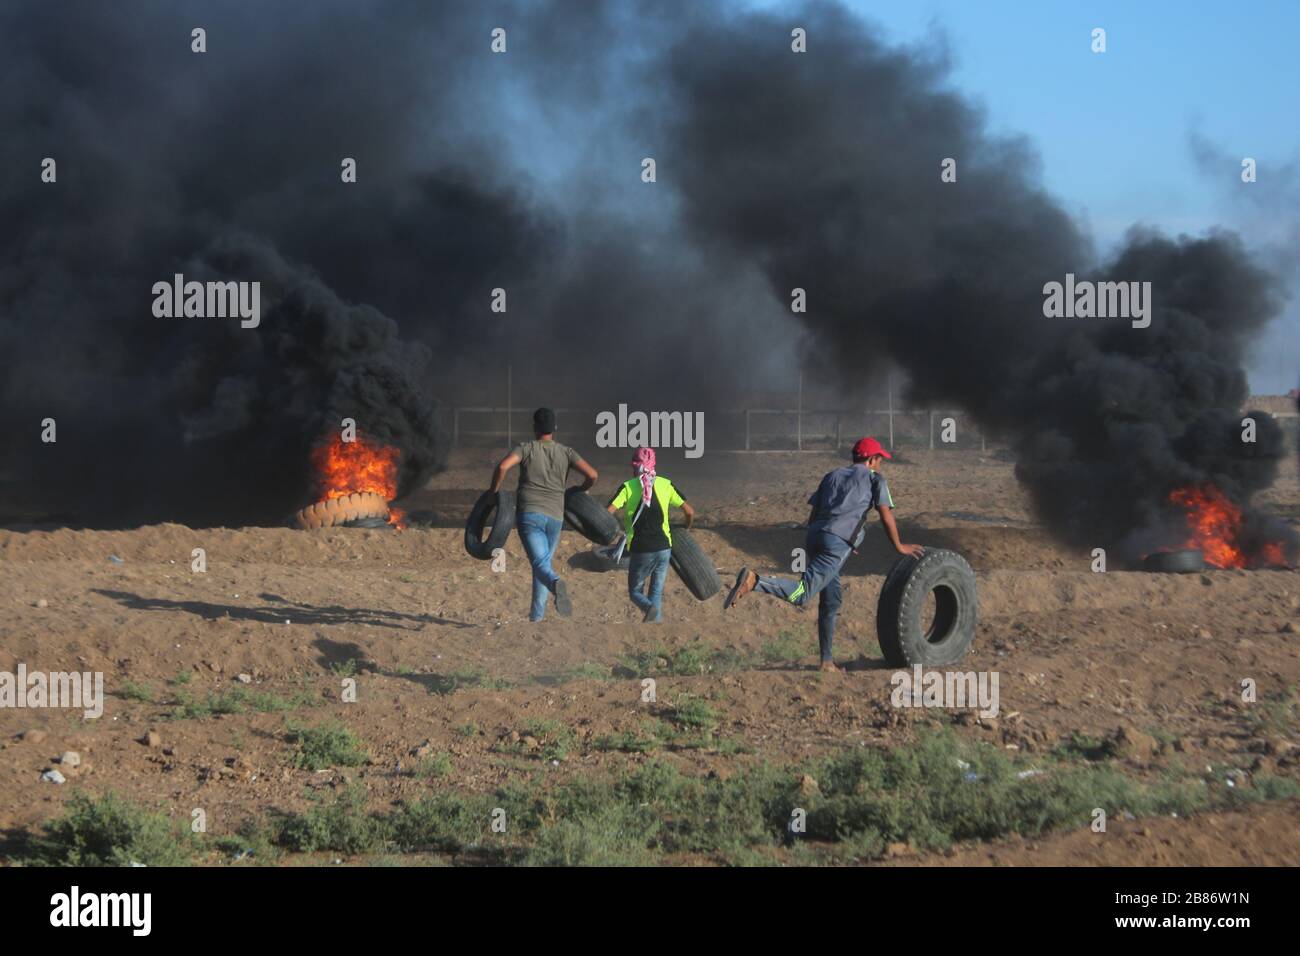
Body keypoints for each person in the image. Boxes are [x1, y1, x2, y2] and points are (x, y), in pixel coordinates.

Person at [724, 436, 924, 672]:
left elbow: (815, 512)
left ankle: (826, 662)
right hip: (836, 543)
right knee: (802, 594)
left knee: (831, 600)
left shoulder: (833, 475)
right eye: (880, 459)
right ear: (871, 460)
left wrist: (824, 537)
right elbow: (885, 514)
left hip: (816, 536)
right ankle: (755, 581)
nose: (881, 464)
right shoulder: (874, 479)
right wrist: (899, 546)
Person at [489, 407, 598, 621]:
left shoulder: (526, 448)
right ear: (554, 428)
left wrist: (492, 493)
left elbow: (502, 467)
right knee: (542, 564)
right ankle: (536, 619)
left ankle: (556, 583)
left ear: (534, 427)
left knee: (540, 565)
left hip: (530, 514)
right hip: (555, 517)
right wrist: (581, 489)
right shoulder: (567, 452)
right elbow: (593, 474)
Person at [605, 447, 695, 622]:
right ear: (654, 464)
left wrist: (612, 530)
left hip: (641, 549)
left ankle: (648, 608)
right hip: (664, 549)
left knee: (635, 592)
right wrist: (686, 529)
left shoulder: (627, 487)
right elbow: (690, 512)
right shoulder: (665, 484)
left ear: (634, 465)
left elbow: (608, 512)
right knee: (655, 592)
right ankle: (654, 625)